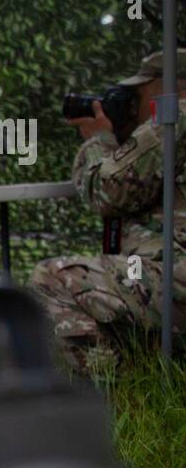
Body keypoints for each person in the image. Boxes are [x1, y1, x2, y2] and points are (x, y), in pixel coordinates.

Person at [29, 50, 186, 373]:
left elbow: (109, 190)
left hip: (178, 279)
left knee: (55, 278)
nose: (130, 105)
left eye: (137, 95)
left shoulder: (175, 115)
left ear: (167, 88)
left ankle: (108, 395)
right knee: (121, 280)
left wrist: (99, 138)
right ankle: (150, 375)